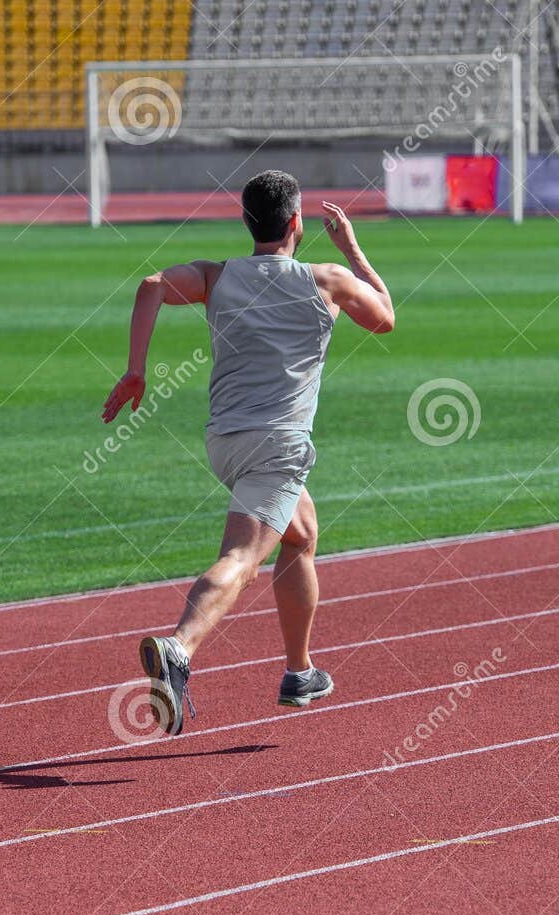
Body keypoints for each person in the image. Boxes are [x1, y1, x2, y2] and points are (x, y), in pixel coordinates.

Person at [101, 169, 395, 735]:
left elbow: (151, 285)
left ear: (246, 223)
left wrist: (137, 370)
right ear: (296, 223)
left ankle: (299, 670)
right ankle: (179, 647)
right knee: (242, 557)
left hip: (225, 442)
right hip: (278, 444)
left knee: (302, 534)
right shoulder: (327, 279)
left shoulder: (219, 276)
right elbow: (386, 318)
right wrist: (354, 249)